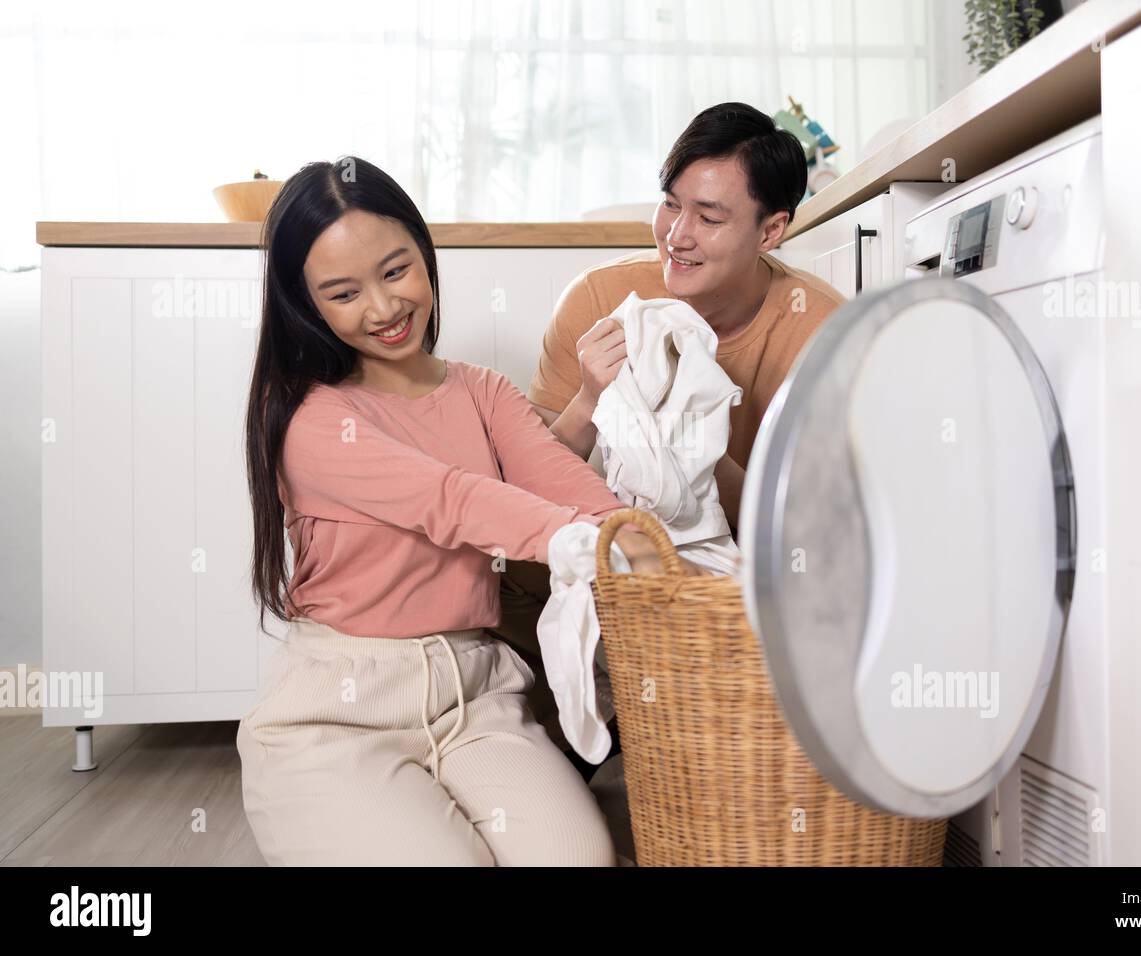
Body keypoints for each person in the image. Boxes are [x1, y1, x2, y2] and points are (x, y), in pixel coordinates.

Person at [237, 155, 697, 866]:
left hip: (476, 696)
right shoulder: (304, 415)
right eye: (343, 292)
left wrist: (643, 551)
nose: (384, 308)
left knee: (579, 860)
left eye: (396, 272)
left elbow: (563, 482)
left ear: (424, 255)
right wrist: (571, 543)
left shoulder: (482, 390)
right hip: (337, 711)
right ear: (308, 304)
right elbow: (448, 499)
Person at [491, 103, 846, 773]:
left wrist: (695, 451)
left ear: (772, 229)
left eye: (709, 218)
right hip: (598, 572)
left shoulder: (818, 331)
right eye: (669, 204)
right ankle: (563, 740)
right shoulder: (601, 300)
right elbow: (518, 483)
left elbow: (811, 537)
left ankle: (692, 752)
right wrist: (590, 401)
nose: (676, 236)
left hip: (731, 607)